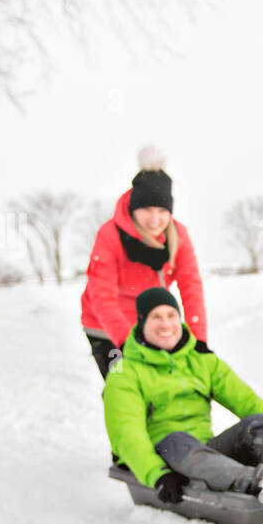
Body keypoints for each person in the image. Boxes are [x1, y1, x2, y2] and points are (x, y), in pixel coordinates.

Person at [104, 288, 263, 505]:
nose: (166, 324)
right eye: (156, 317)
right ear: (141, 323)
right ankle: (254, 482)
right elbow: (127, 434)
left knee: (258, 421)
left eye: (171, 315)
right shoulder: (125, 373)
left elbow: (246, 401)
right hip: (165, 459)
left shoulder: (202, 361)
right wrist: (156, 474)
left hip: (204, 456)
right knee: (177, 439)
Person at [80, 146, 207, 379]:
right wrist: (127, 343)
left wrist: (199, 341)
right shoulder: (110, 235)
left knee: (162, 390)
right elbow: (102, 295)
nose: (155, 219)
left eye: (162, 210)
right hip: (106, 329)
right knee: (125, 388)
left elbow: (191, 287)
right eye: (147, 209)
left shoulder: (178, 236)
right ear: (134, 208)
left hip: (151, 325)